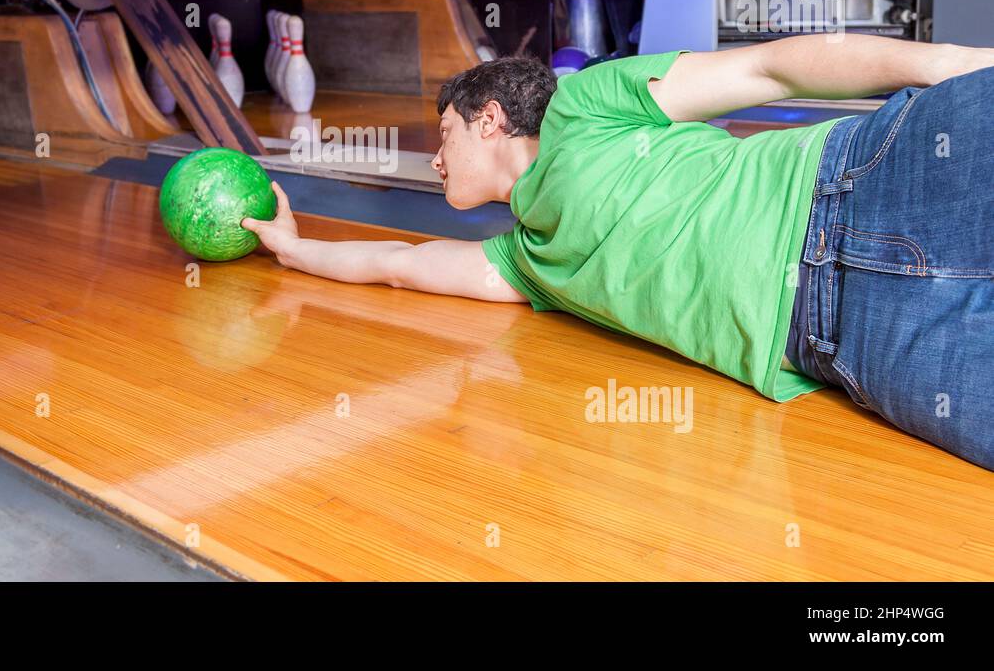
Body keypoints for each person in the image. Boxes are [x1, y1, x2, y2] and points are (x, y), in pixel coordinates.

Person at [242, 35, 994, 471]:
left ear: (490, 119)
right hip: (847, 340)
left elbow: (772, 68)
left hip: (864, 180)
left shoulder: (585, 108)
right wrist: (295, 248)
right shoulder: (525, 262)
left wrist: (953, 64)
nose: (435, 160)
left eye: (443, 137)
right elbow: (396, 266)